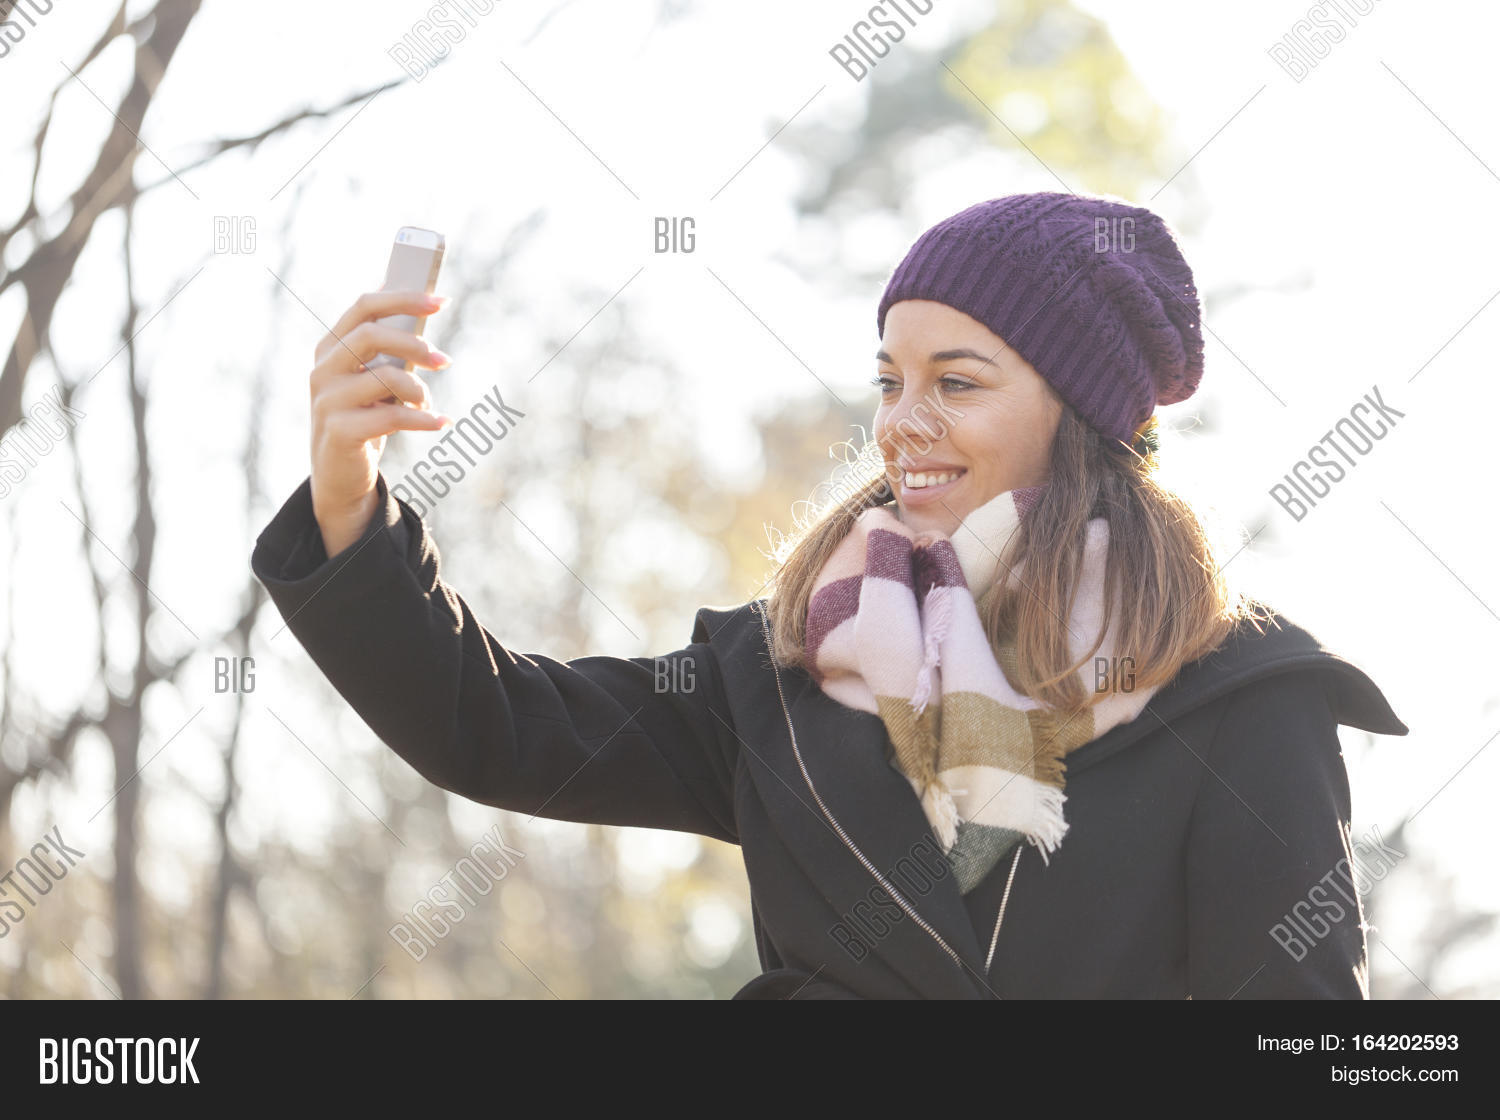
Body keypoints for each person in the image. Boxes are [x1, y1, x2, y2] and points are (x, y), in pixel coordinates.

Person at [251, 192, 1406, 999]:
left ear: (1085, 418)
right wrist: (350, 495)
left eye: (957, 381)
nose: (904, 420)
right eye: (890, 378)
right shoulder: (782, 674)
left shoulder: (1239, 697)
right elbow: (491, 726)